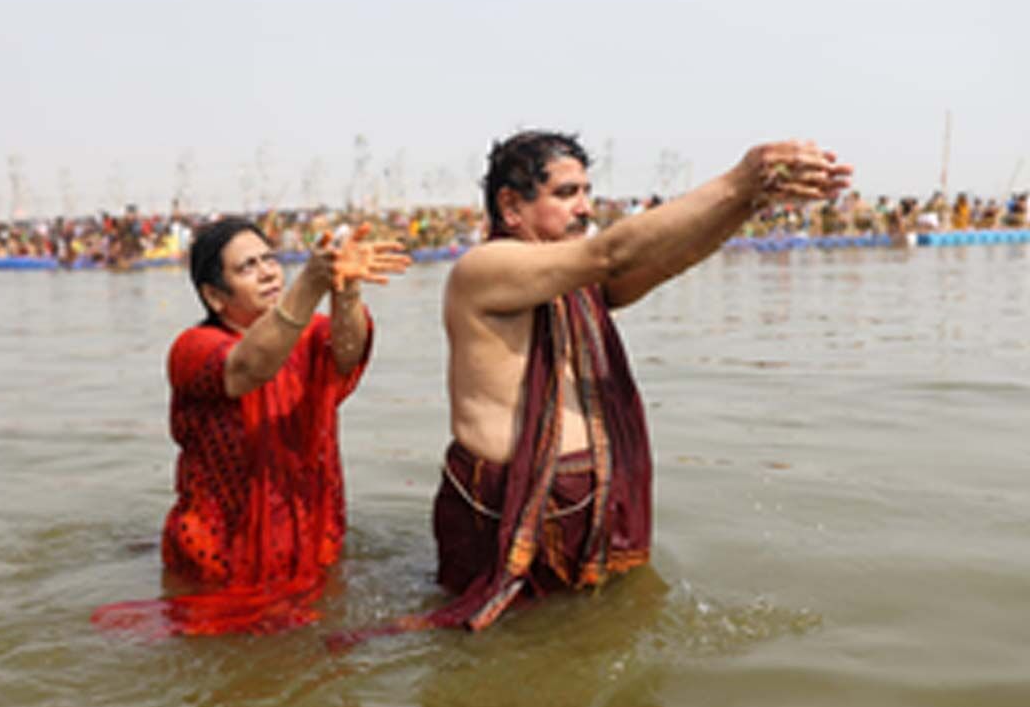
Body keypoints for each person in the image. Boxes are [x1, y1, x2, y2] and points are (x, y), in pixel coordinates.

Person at [421, 130, 851, 632]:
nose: (584, 209)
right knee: (491, 652)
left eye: (586, 192)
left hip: (581, 502)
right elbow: (613, 254)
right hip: (501, 512)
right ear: (511, 206)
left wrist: (749, 203)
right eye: (565, 194)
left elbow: (665, 260)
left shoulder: (573, 279)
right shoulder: (485, 267)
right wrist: (738, 181)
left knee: (584, 644)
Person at [93, 216, 410, 638]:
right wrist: (309, 286)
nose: (267, 272)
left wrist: (345, 289)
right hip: (222, 556)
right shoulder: (194, 349)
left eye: (270, 259)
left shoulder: (311, 334)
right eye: (247, 267)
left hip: (310, 540)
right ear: (214, 295)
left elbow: (347, 354)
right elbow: (251, 366)